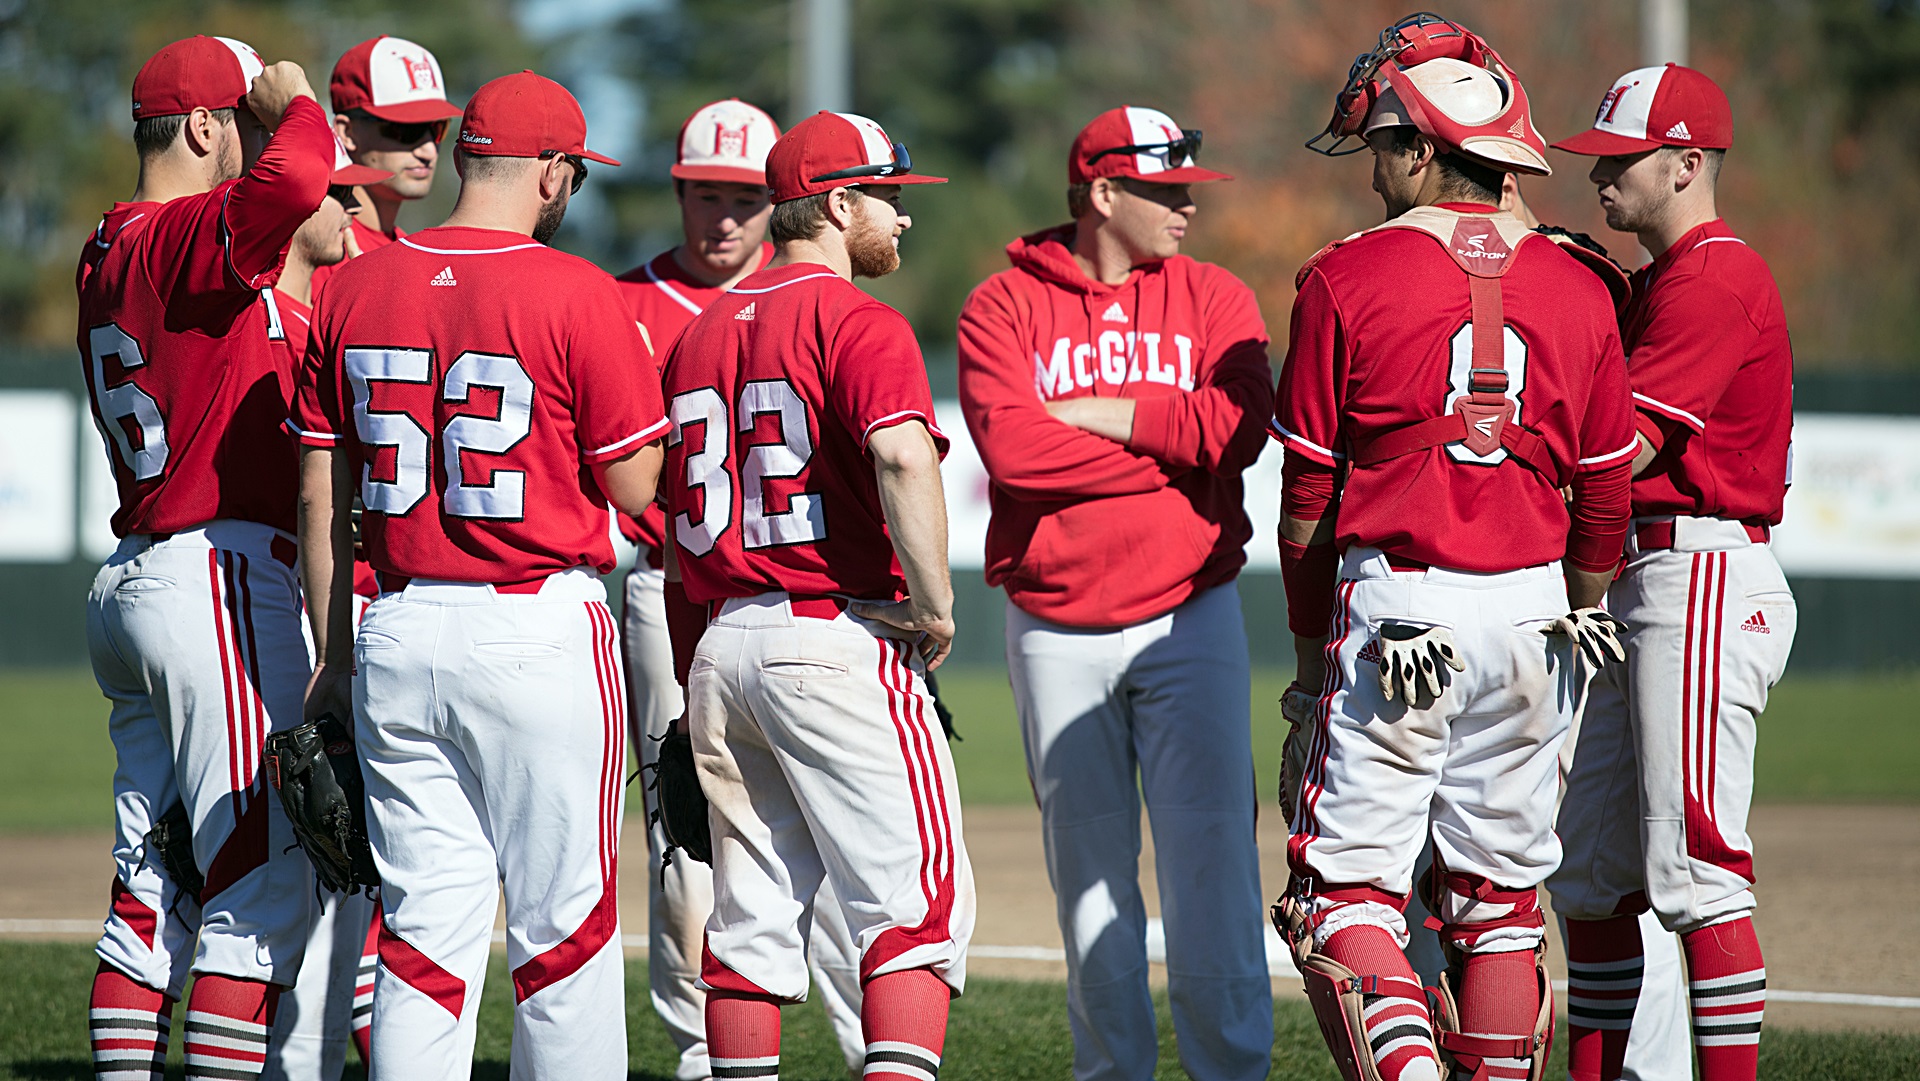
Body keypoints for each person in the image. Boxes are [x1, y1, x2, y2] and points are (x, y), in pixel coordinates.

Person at [1272, 16, 1636, 1081]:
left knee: (1342, 900)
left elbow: (1306, 501)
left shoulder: (1343, 278)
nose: (1373, 168)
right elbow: (1606, 489)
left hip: (1400, 612)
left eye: (1383, 145)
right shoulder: (1583, 281)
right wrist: (1579, 606)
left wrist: (1305, 667)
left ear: (1424, 149)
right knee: (1499, 903)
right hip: (1537, 613)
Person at [290, 71, 666, 1080]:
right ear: (549, 172)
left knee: (422, 935)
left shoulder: (352, 284)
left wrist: (332, 653)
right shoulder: (579, 290)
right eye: (572, 171)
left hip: (398, 626)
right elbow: (633, 480)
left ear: (463, 156)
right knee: (564, 933)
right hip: (536, 625)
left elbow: (321, 497)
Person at [956, 104, 1274, 1081]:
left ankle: (1232, 1071)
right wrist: (1171, 449)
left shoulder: (1217, 295)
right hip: (1054, 623)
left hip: (1193, 612)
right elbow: (1012, 451)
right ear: (1102, 191)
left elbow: (1242, 432)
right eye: (1165, 188)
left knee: (1214, 867)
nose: (1186, 205)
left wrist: (1096, 416)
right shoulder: (1002, 303)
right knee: (1089, 881)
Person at [658, 109, 972, 1081]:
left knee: (750, 923)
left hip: (723, 644)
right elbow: (898, 451)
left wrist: (686, 677)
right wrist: (934, 606)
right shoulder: (857, 317)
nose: (902, 221)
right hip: (832, 630)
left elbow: (670, 526)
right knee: (913, 914)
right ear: (838, 202)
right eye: (889, 200)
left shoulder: (700, 331)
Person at [76, 35, 333, 1081]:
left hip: (135, 574)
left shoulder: (105, 242)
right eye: (244, 120)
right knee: (258, 879)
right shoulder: (180, 233)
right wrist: (301, 100)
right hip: (212, 574)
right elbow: (306, 175)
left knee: (151, 879)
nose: (260, 138)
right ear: (201, 126)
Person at [1546, 63, 1796, 1081]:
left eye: (1622, 161)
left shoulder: (1716, 275)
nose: (1600, 180)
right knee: (1594, 874)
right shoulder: (1661, 281)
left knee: (1696, 868)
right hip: (1642, 581)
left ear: (1689, 163)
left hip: (1698, 574)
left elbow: (1630, 450)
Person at [612, 97, 868, 1079]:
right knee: (687, 829)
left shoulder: (806, 299)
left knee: (840, 827)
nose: (723, 218)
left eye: (743, 199)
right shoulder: (624, 303)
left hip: (799, 599)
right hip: (669, 589)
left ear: (776, 205)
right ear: (677, 191)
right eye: (704, 195)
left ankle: (866, 1042)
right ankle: (697, 1052)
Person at [1501, 176, 1692, 1081]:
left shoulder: (1582, 277)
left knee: (1610, 858)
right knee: (1558, 865)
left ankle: (1645, 1070)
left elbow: (1614, 452)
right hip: (1509, 586)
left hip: (1568, 584)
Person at [257, 137, 391, 1081]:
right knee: (311, 852)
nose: (361, 204)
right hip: (314, 596)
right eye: (345, 184)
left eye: (432, 132)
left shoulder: (379, 277)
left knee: (362, 868)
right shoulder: (288, 297)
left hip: (372, 599)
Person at [308, 35, 463, 292]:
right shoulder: (317, 244)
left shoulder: (410, 251)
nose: (428, 150)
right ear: (347, 133)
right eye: (406, 130)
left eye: (437, 128)